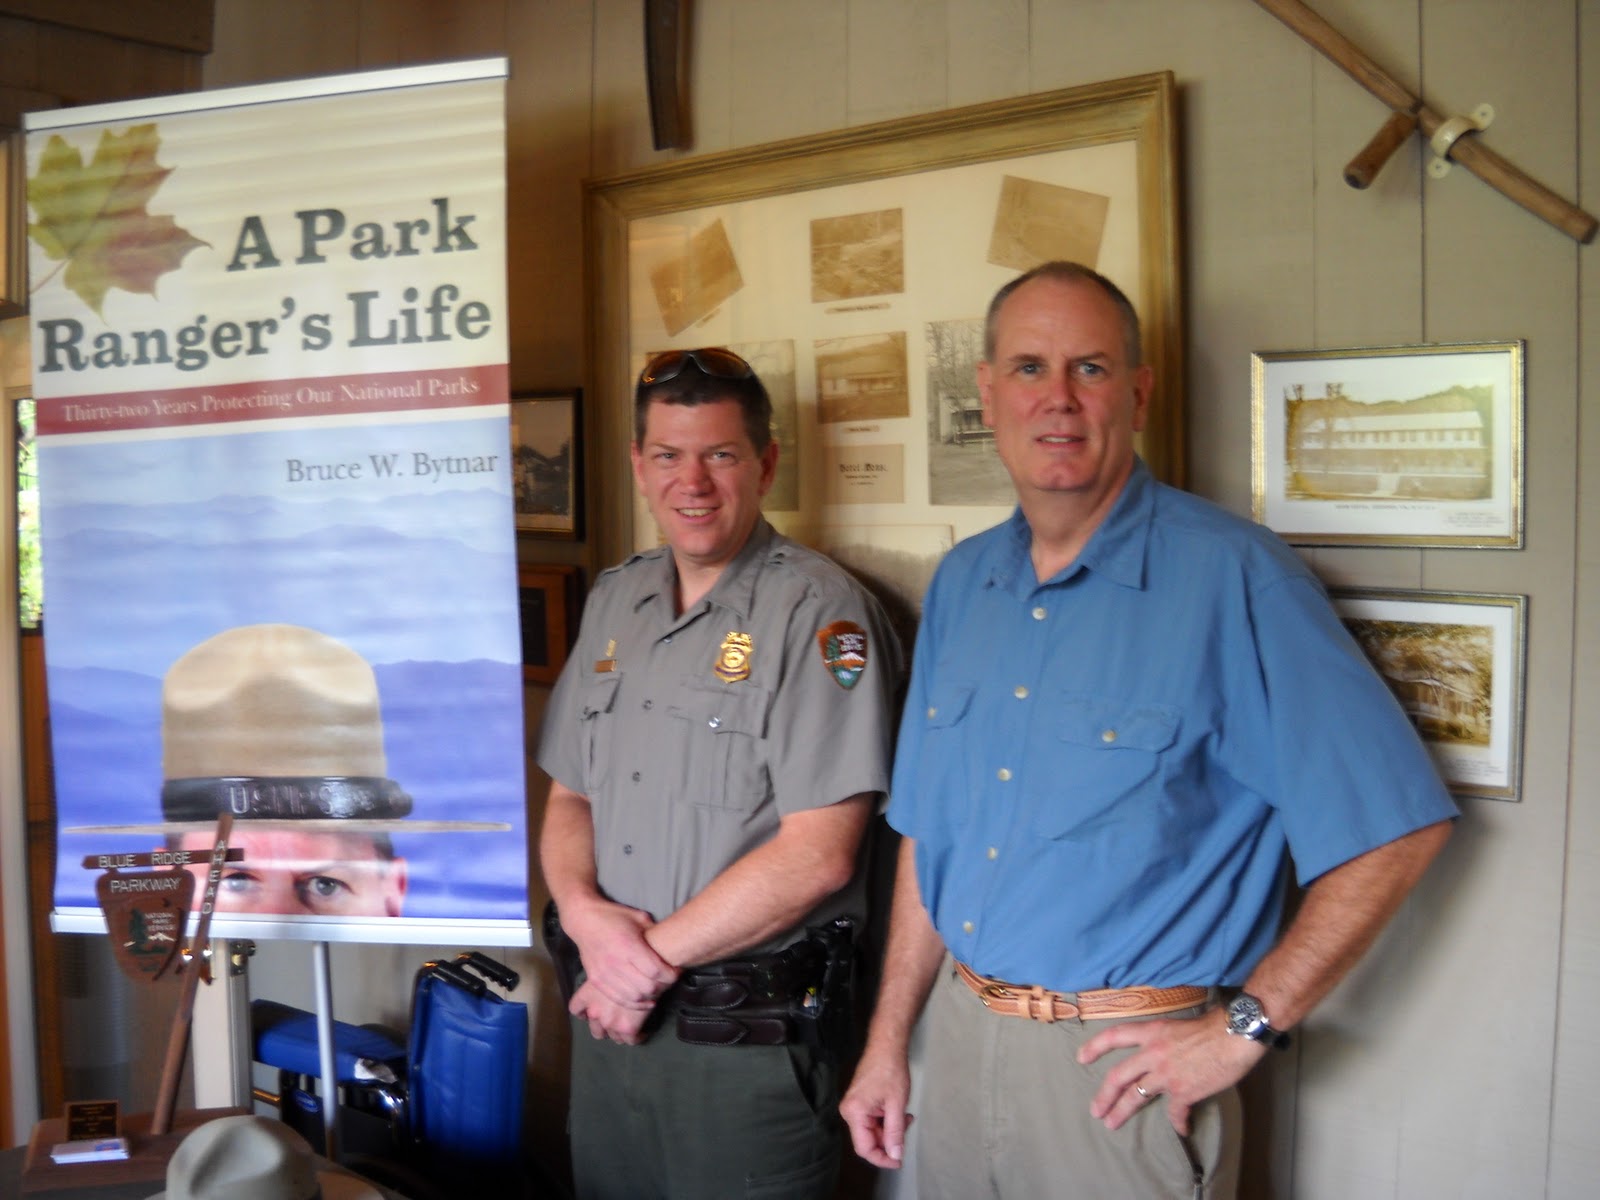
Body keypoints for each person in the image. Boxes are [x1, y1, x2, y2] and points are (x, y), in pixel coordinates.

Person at [838, 261, 1457, 1198]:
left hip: (1120, 1085)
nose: (1058, 400)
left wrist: (1244, 1029)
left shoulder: (1234, 580)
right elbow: (932, 837)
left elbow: (1399, 826)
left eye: (1089, 369)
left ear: (1138, 392)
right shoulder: (965, 585)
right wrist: (888, 1043)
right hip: (957, 1053)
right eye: (1029, 368)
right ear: (988, 392)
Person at [537, 347, 902, 1199]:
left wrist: (639, 967)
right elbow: (569, 796)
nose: (691, 482)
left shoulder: (820, 615)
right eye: (667, 455)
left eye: (721, 454)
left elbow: (820, 854)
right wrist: (589, 921)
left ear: (765, 463)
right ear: (638, 465)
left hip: (745, 1052)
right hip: (607, 1029)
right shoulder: (615, 600)